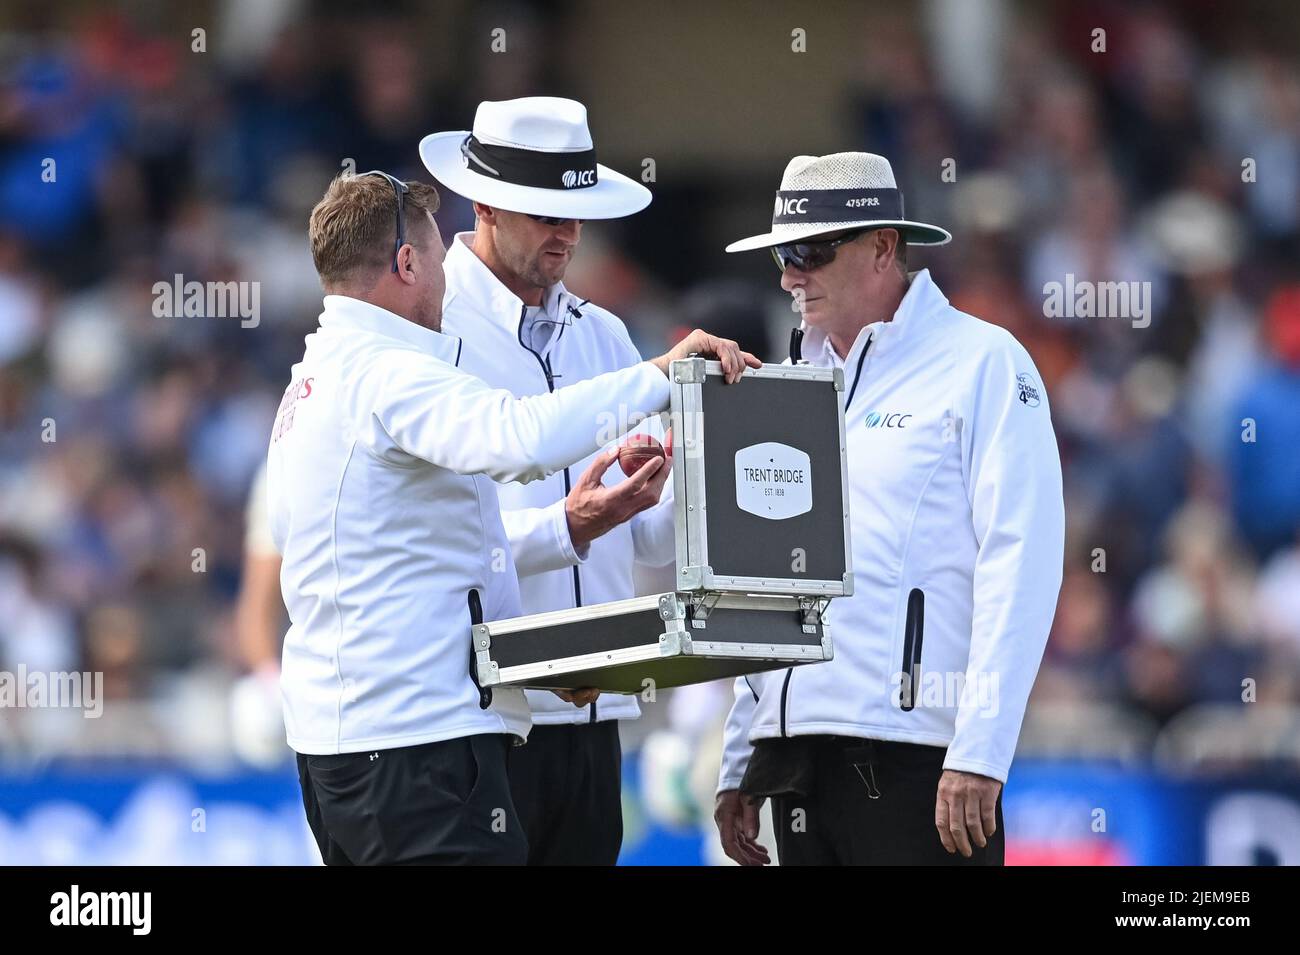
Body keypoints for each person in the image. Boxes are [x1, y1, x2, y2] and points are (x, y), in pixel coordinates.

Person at [269, 170, 757, 865]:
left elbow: (432, 557)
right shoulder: (390, 373)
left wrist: (564, 543)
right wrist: (660, 374)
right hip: (418, 747)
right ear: (407, 264)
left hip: (352, 745)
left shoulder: (311, 381)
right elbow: (519, 439)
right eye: (440, 257)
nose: (447, 276)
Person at [715, 152, 1065, 866]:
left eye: (809, 251)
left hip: (925, 762)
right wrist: (740, 758)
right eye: (783, 254)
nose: (789, 274)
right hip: (797, 762)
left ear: (882, 246)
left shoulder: (984, 361)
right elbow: (769, 582)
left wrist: (981, 746)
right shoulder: (790, 382)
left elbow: (1022, 560)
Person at [421, 96, 674, 865]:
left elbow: (651, 539)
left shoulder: (605, 334)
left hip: (594, 723)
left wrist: (706, 459)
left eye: (575, 211)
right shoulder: (428, 333)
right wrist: (570, 525)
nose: (566, 231)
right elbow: (433, 543)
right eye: (544, 212)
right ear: (485, 203)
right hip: (480, 720)